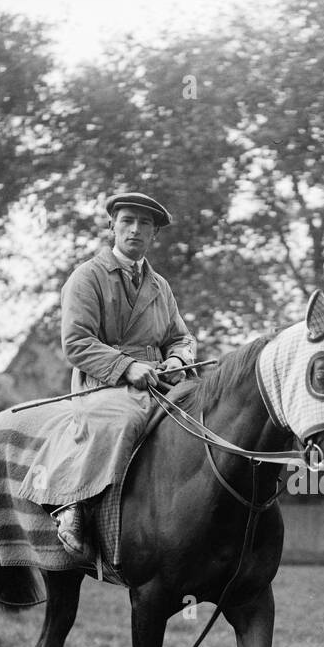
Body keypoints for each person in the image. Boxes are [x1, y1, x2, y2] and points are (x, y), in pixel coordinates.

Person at [21, 190, 196, 559]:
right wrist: (126, 367)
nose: (135, 230)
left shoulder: (160, 286)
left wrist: (179, 360)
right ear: (113, 226)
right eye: (128, 221)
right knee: (124, 417)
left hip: (159, 382)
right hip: (102, 383)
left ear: (154, 235)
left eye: (144, 224)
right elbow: (76, 342)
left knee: (200, 417)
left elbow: (180, 336)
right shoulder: (87, 277)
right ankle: (73, 508)